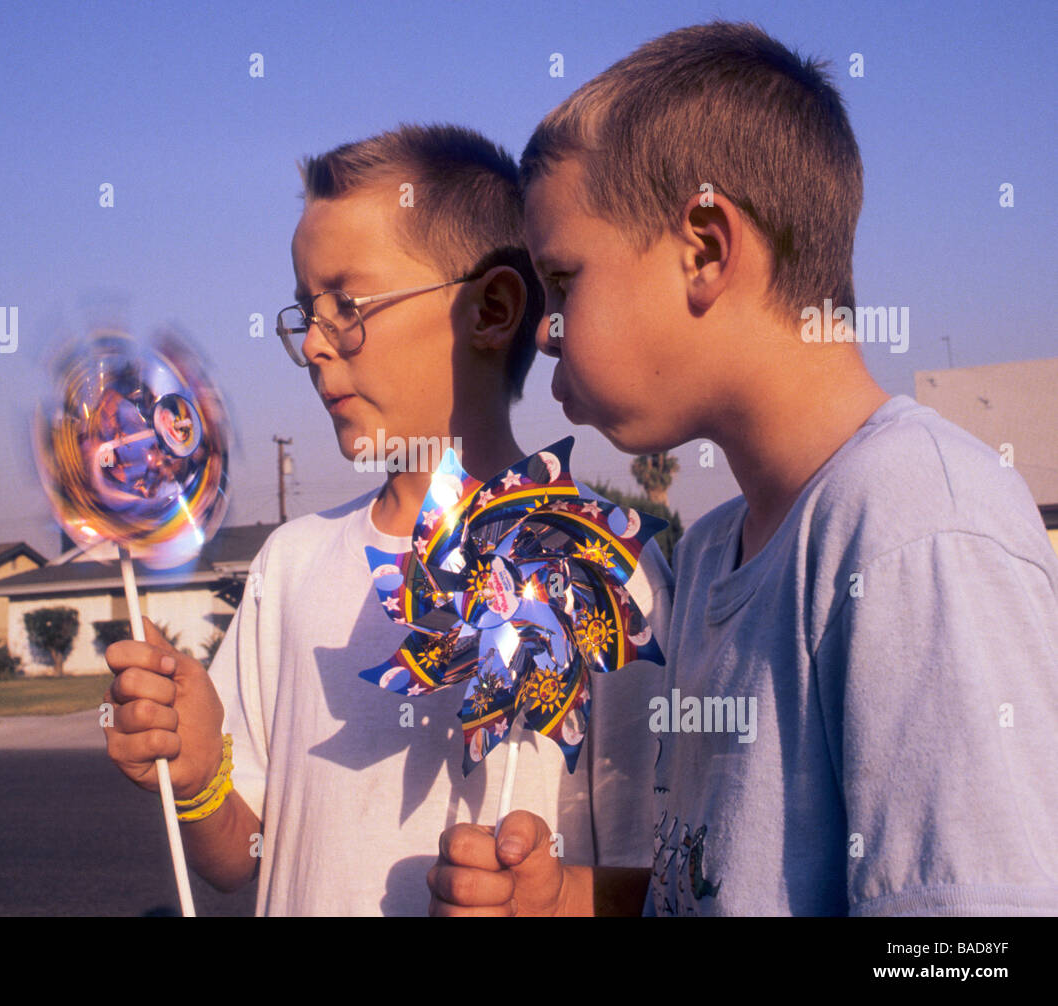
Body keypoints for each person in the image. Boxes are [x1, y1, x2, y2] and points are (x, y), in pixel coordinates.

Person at [427, 21, 1058, 916]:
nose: (544, 327)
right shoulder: (717, 546)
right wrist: (566, 900)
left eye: (564, 281)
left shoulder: (912, 524)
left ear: (707, 249)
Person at [102, 123, 672, 915]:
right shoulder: (290, 563)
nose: (318, 348)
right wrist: (199, 781)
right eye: (306, 314)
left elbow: (665, 884)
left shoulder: (599, 562)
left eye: (348, 303)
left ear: (494, 308)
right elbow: (239, 857)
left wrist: (553, 898)